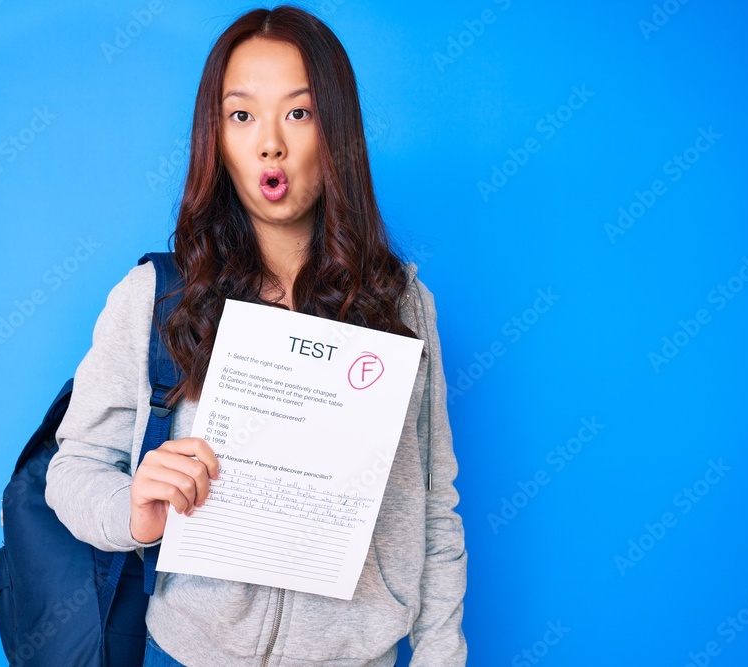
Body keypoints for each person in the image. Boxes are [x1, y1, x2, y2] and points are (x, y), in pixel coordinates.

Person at [45, 6, 467, 666]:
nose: (271, 142)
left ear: (337, 131)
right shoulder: (157, 296)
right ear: (215, 137)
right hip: (187, 652)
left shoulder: (403, 303)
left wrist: (440, 655)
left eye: (299, 112)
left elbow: (435, 508)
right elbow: (72, 468)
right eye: (241, 115)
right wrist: (135, 510)